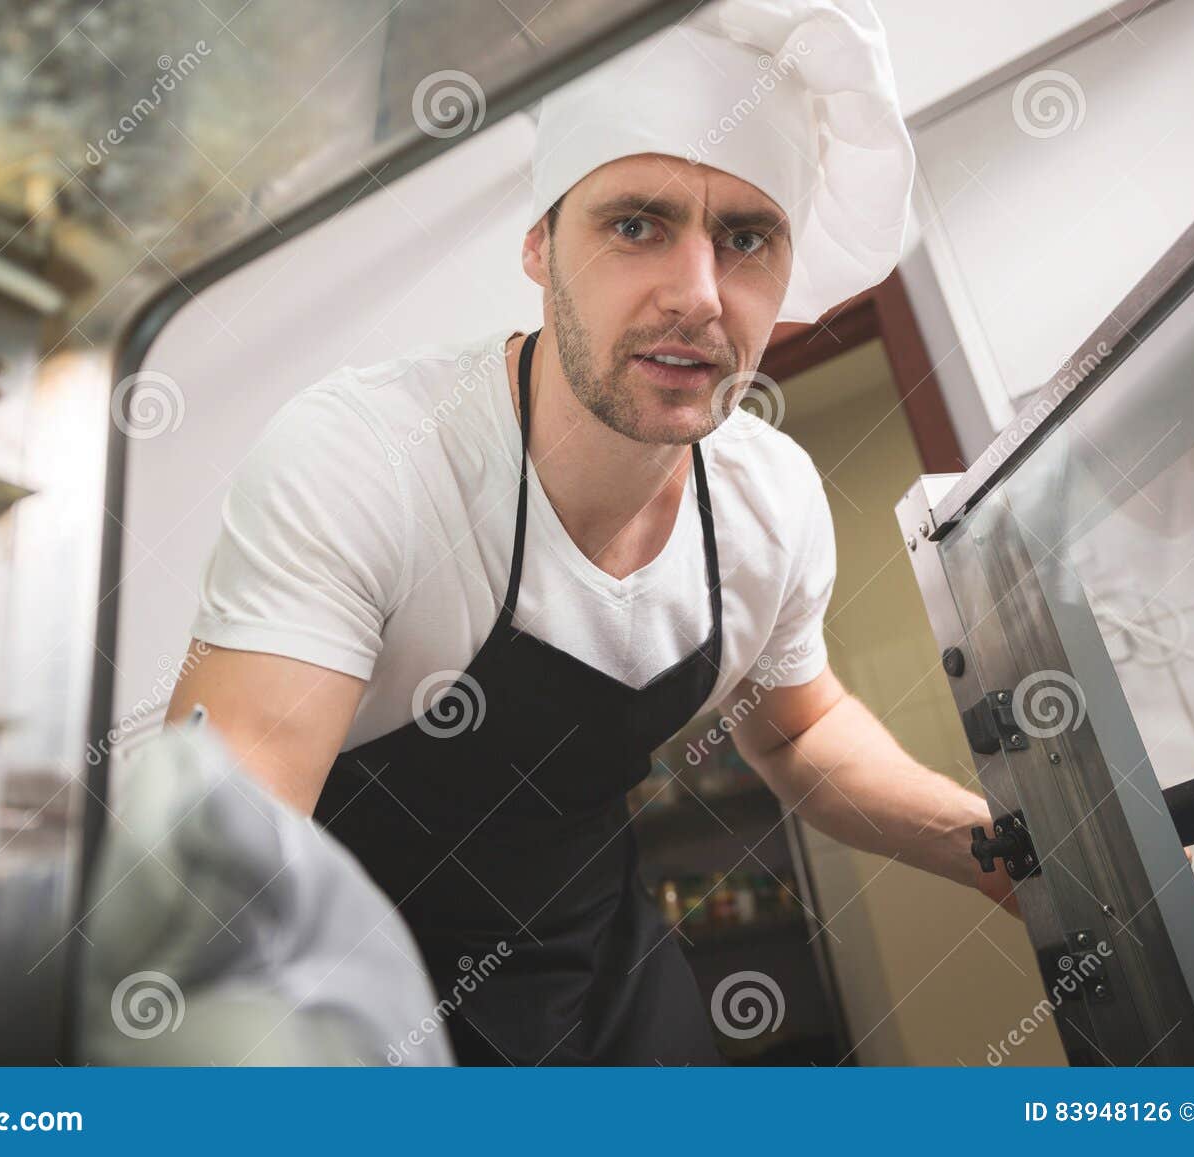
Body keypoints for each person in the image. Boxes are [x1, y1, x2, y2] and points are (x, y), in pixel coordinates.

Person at [166, 0, 1017, 1066]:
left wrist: (992, 846)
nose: (698, 295)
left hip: (603, 977)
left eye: (745, 238)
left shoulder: (772, 502)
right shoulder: (371, 457)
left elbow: (798, 732)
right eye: (636, 223)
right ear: (539, 245)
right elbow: (227, 836)